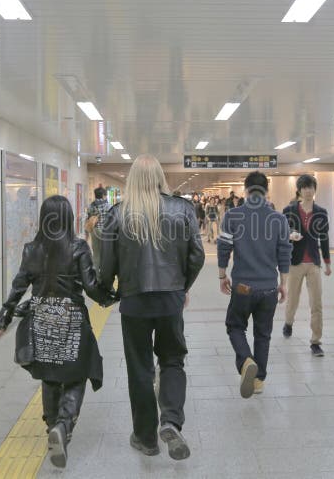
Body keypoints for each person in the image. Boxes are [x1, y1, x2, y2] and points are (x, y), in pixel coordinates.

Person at [0, 195, 115, 469]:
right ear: (69, 218)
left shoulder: (31, 249)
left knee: (49, 374)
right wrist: (110, 297)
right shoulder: (78, 247)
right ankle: (63, 424)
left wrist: (6, 312)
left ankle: (52, 427)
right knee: (77, 373)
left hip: (42, 318)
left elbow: (20, 284)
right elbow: (91, 286)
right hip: (71, 319)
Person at [99, 154, 205, 460]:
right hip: (170, 298)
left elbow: (106, 263)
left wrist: (108, 291)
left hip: (134, 301)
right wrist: (182, 286)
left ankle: (146, 438)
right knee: (172, 360)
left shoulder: (117, 213)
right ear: (160, 177)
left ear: (132, 179)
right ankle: (170, 420)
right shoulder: (182, 209)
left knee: (140, 368)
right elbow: (197, 256)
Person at [218, 172, 292, 397]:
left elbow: (223, 247)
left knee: (235, 326)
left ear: (246, 190)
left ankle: (246, 360)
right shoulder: (279, 219)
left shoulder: (233, 215)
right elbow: (285, 252)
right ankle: (258, 381)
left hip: (243, 286)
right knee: (263, 334)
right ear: (266, 192)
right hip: (269, 287)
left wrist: (222, 276)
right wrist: (283, 284)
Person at [282, 175, 332, 356]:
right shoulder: (289, 211)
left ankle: (316, 341)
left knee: (316, 303)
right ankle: (288, 322)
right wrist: (290, 235)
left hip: (313, 263)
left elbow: (324, 239)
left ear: (314, 189)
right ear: (299, 190)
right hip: (295, 263)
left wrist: (327, 262)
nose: (308, 191)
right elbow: (282, 233)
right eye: (304, 188)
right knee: (292, 300)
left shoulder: (321, 212)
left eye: (311, 187)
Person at [85, 186, 110, 270]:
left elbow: (88, 219)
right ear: (103, 195)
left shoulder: (91, 206)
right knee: (105, 253)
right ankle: (104, 273)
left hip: (94, 231)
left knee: (96, 253)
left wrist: (86, 234)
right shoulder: (108, 206)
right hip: (105, 231)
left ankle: (96, 274)